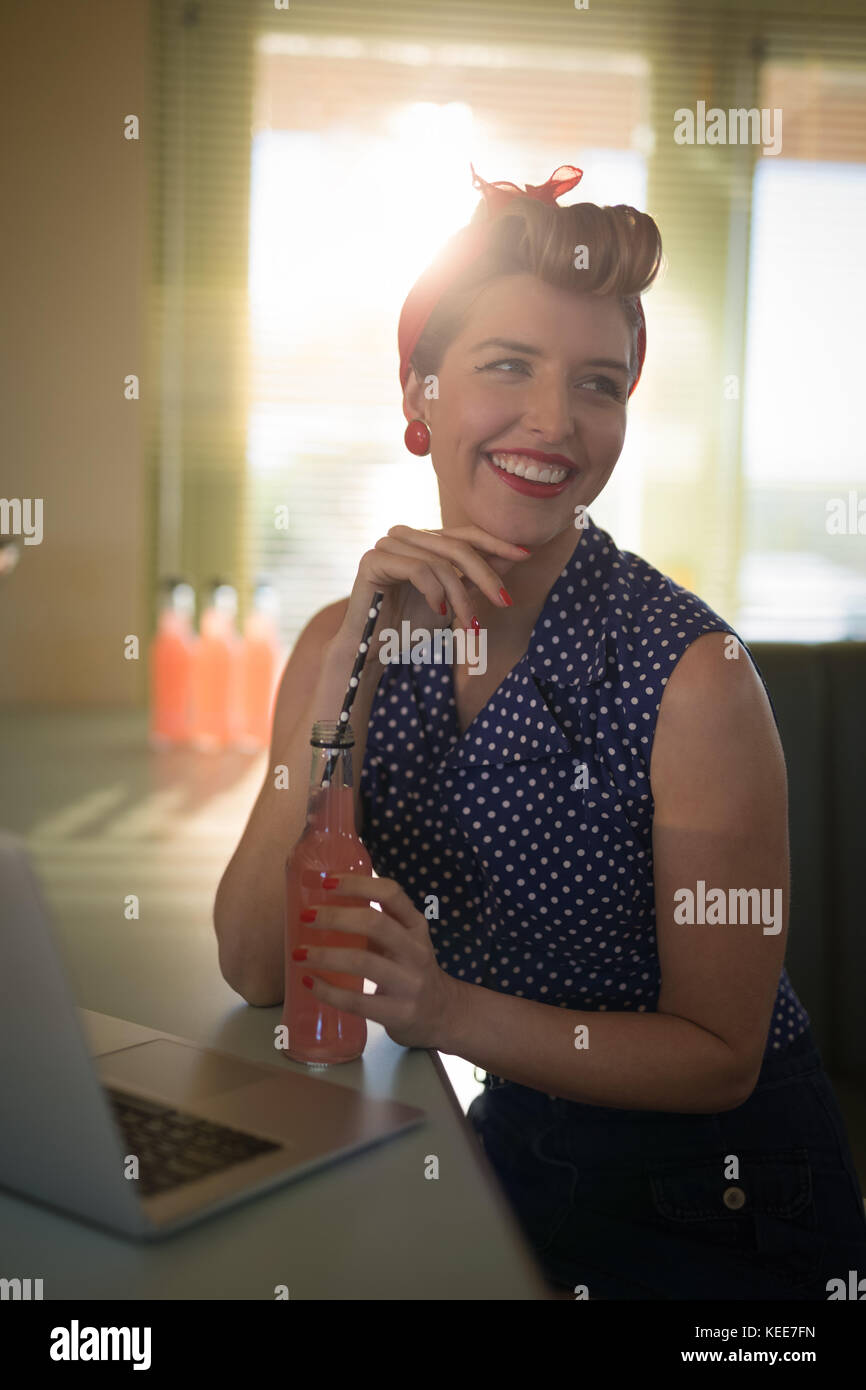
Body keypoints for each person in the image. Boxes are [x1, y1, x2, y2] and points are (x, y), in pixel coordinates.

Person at [214, 164, 866, 1300]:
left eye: (597, 383)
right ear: (418, 398)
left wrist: (446, 1012)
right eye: (506, 366)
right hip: (512, 1154)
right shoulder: (346, 636)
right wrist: (339, 690)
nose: (554, 423)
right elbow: (256, 967)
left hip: (717, 1210)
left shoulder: (693, 680)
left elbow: (723, 1054)